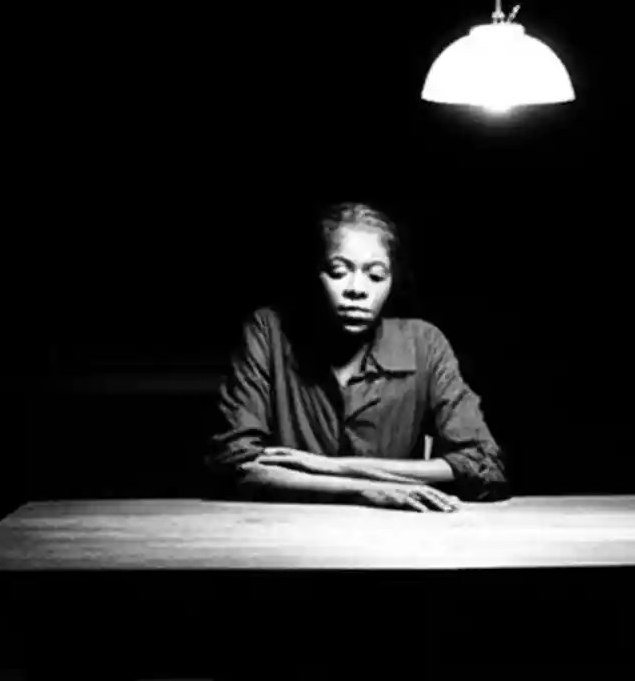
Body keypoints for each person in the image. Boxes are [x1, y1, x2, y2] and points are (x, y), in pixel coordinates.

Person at [205, 202, 509, 511]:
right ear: (314, 273)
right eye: (338, 271)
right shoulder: (268, 331)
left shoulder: (424, 343)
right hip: (286, 537)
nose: (356, 289)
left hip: (397, 537)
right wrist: (364, 490)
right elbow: (235, 463)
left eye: (376, 276)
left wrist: (330, 466)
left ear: (393, 281)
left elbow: (482, 466)